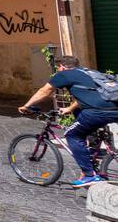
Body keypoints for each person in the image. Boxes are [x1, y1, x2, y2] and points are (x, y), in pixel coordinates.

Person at [20, 54, 118, 187]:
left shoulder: (64, 75)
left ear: (61, 66)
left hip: (97, 112)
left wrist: (26, 106)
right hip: (114, 108)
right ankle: (96, 149)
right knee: (81, 117)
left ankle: (89, 175)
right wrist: (69, 108)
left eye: (58, 67)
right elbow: (87, 93)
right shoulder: (89, 73)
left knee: (72, 135)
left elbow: (45, 91)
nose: (58, 70)